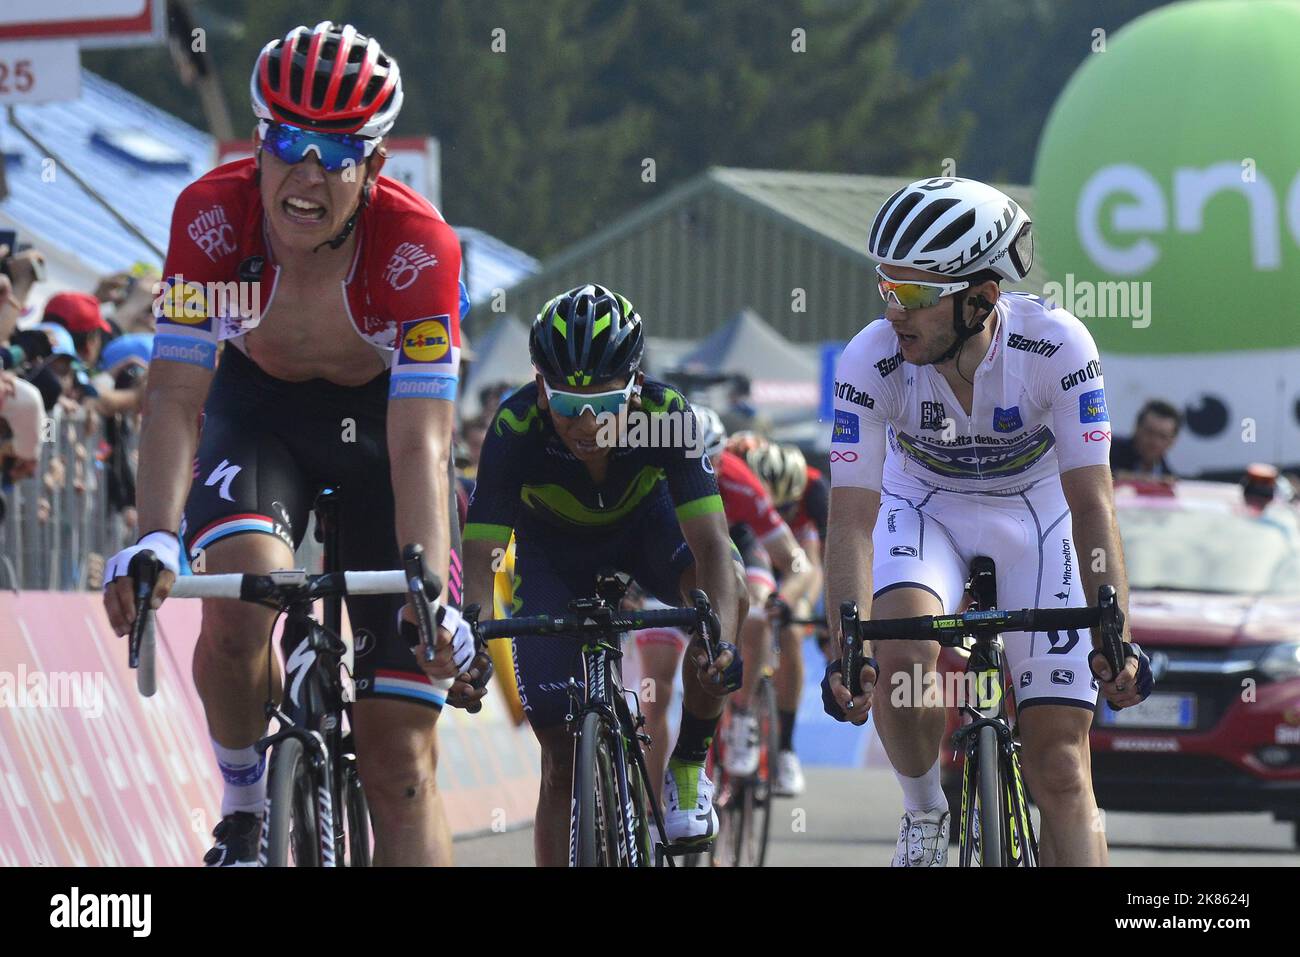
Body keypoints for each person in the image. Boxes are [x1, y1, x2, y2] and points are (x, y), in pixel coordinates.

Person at [100, 21, 484, 867]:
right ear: (260, 140)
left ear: (374, 166)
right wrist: (154, 534)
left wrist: (432, 588)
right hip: (259, 414)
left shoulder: (421, 249)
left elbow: (423, 441)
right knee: (237, 603)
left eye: (336, 152)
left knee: (400, 769)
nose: (307, 174)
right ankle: (244, 807)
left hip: (383, 436)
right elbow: (172, 395)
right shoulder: (208, 219)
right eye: (288, 140)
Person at [824, 177, 1152, 867]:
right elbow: (853, 518)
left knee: (1060, 764)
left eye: (913, 296)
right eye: (885, 289)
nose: (893, 313)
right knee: (901, 650)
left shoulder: (1057, 346)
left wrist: (1113, 629)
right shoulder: (870, 358)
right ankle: (922, 810)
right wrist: (845, 647)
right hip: (924, 509)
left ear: (982, 298)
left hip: (1036, 516)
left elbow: (1093, 503)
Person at [461, 284, 747, 865]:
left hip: (647, 534)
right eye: (568, 404)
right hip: (551, 557)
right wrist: (472, 644)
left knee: (727, 594)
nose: (586, 422)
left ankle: (688, 766)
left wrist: (719, 638)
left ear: (635, 388)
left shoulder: (666, 415)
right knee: (558, 761)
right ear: (542, 388)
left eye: (605, 403)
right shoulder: (515, 427)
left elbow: (713, 545)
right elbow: (482, 555)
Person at [631, 405, 816, 800]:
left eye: (713, 462)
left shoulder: (740, 481)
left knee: (756, 612)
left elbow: (794, 560)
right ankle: (650, 808)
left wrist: (788, 597)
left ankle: (743, 717)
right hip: (668, 561)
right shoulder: (648, 474)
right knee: (655, 690)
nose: (704, 472)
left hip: (735, 553)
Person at [741, 439, 829, 795]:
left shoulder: (813, 490)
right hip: (754, 554)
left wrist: (822, 620)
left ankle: (787, 748)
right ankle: (735, 722)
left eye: (787, 508)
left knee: (792, 632)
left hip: (797, 568)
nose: (780, 512)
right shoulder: (741, 484)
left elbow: (814, 565)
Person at [1110, 399, 1180, 478]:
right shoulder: (1108, 449)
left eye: (1162, 436)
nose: (1155, 442)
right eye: (1150, 433)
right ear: (1136, 429)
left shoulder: (1168, 475)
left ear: (1173, 440)